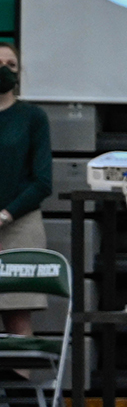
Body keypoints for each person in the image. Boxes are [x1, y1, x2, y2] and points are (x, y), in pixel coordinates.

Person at [0, 43, 53, 340]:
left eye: (12, 65)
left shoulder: (33, 117)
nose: (4, 70)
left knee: (17, 318)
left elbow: (43, 181)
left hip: (20, 224)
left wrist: (6, 215)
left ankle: (19, 387)